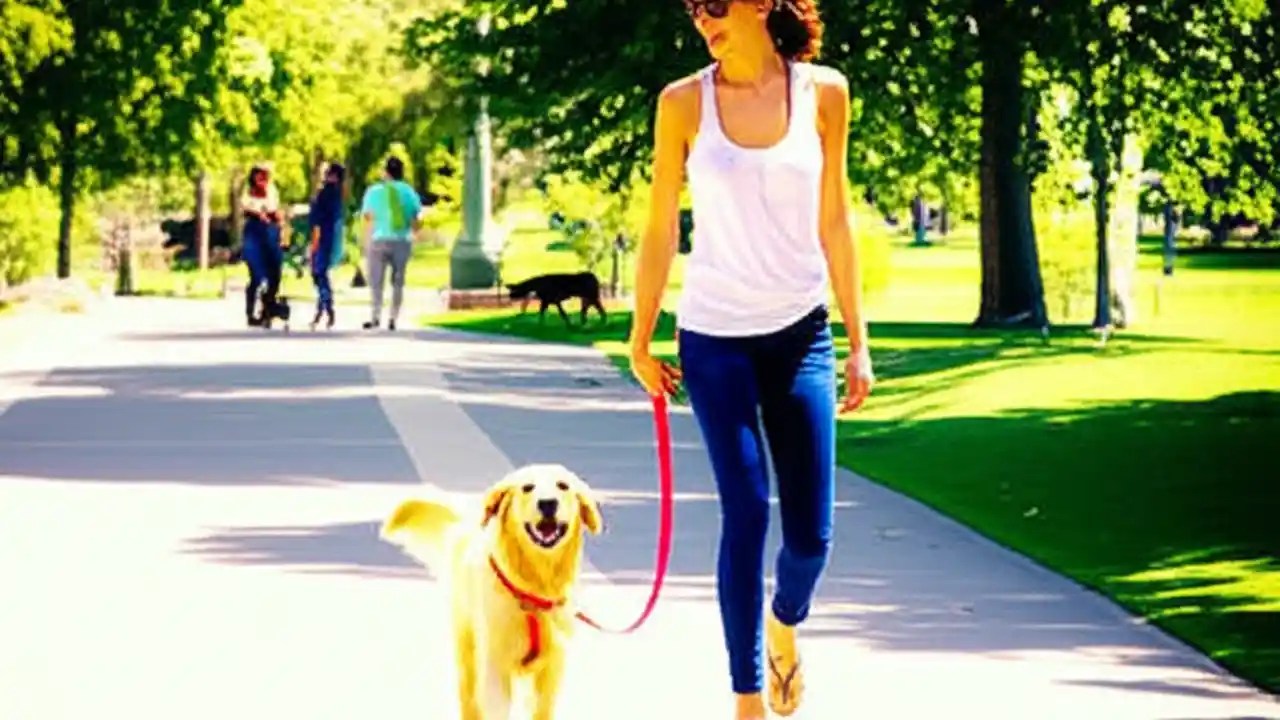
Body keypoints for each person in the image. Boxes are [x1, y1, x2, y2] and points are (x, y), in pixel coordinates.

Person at [626, 1, 875, 718]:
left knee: (811, 540)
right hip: (713, 338)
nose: (702, 19)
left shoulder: (825, 93)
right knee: (746, 509)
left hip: (801, 333)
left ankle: (783, 625)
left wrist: (859, 342)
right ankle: (746, 698)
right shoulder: (681, 104)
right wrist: (640, 338)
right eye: (694, 8)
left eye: (715, 4)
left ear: (763, 4)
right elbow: (659, 226)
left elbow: (835, 218)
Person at [359, 156, 422, 331]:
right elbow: (416, 217)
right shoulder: (409, 192)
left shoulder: (374, 191)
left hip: (378, 239)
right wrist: (414, 235)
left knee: (376, 281)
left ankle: (375, 316)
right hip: (402, 240)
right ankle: (393, 317)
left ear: (386, 172)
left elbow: (367, 217)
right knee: (398, 281)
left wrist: (365, 239)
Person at [240, 164, 286, 326]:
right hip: (254, 235)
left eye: (265, 176)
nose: (262, 180)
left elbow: (275, 211)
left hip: (271, 235)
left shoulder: (272, 191)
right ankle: (251, 313)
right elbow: (246, 207)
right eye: (259, 176)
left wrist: (280, 230)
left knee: (275, 275)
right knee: (257, 277)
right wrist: (259, 214)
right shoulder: (248, 193)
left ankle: (268, 308)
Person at [308, 162, 346, 330]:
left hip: (322, 237)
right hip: (331, 237)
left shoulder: (324, 194)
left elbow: (317, 220)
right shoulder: (337, 194)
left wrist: (315, 242)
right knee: (321, 275)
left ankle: (326, 309)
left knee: (318, 274)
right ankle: (323, 309)